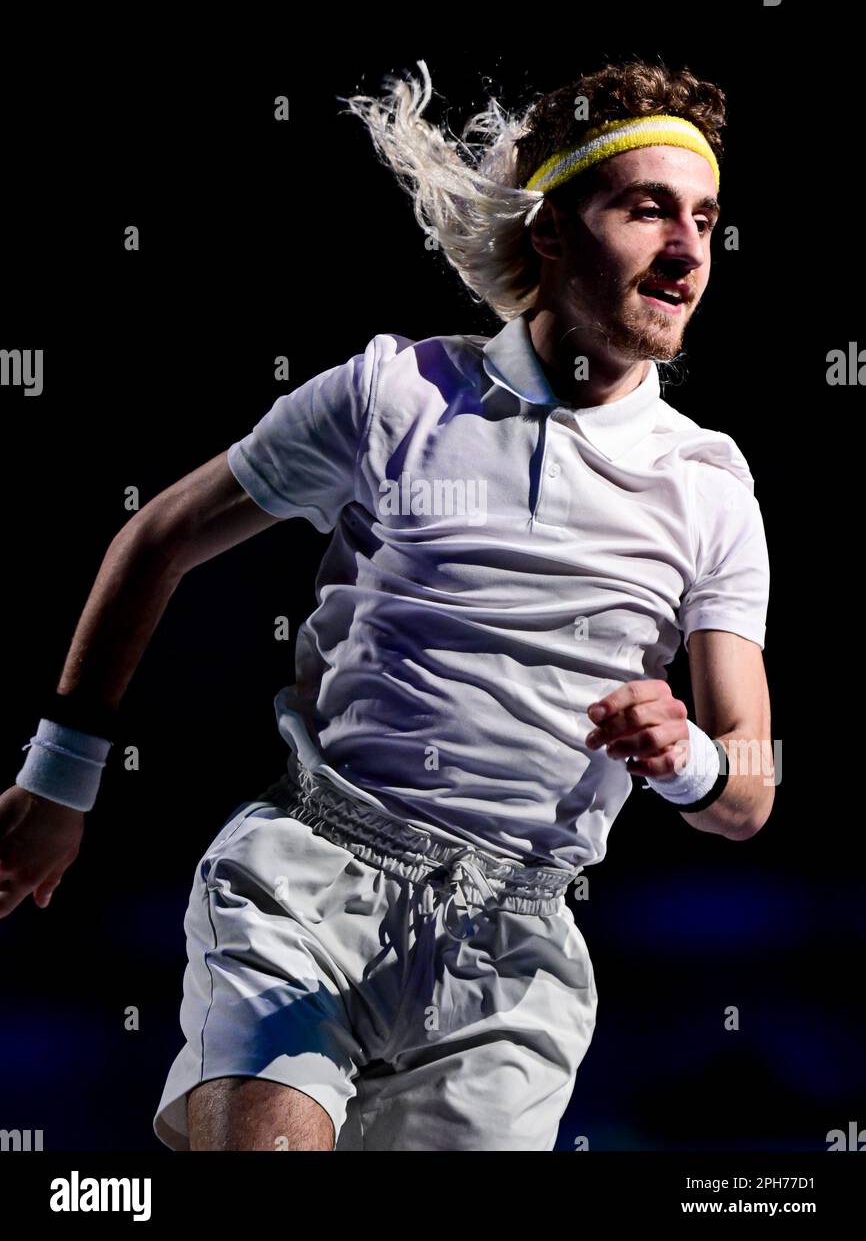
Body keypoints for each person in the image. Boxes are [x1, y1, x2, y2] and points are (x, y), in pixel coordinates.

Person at [1, 58, 773, 1151]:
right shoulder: (395, 391)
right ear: (549, 233)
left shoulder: (708, 485)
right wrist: (58, 784)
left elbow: (749, 784)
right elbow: (157, 538)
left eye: (702, 217)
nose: (689, 249)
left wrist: (687, 753)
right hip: (309, 885)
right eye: (646, 209)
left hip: (511, 961)